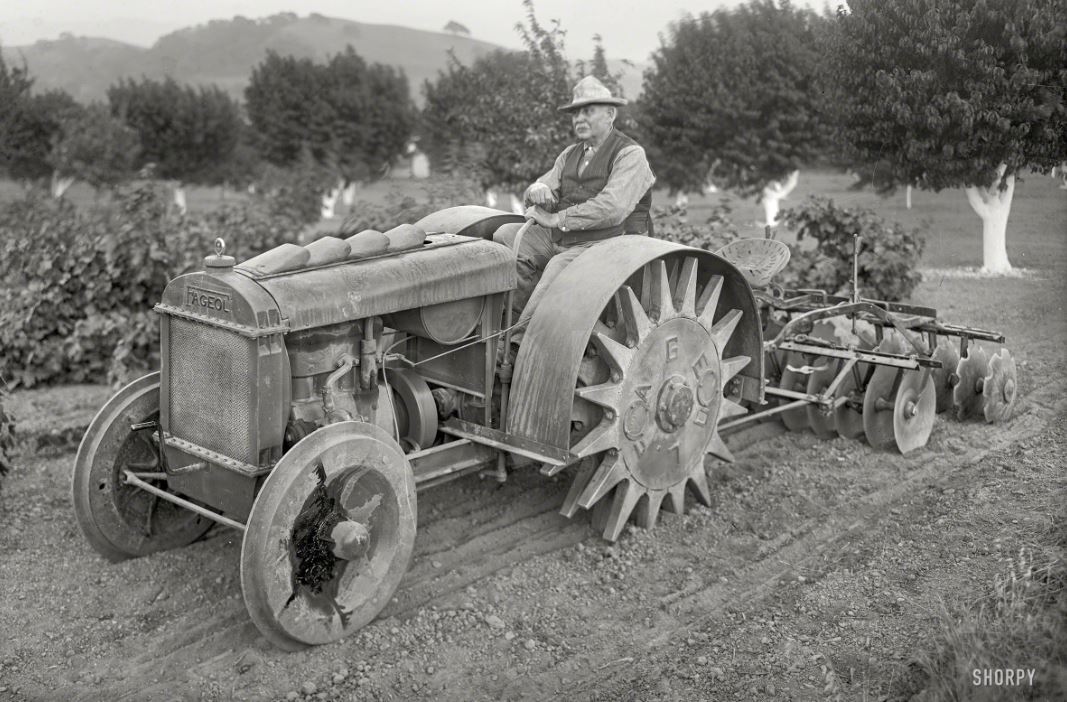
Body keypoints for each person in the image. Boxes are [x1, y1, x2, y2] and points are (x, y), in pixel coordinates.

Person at [505, 76, 655, 356]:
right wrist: (538, 190)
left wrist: (557, 219)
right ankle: (505, 324)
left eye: (588, 111)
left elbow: (613, 208)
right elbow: (545, 186)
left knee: (557, 266)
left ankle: (518, 347)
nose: (579, 118)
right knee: (507, 241)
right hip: (568, 239)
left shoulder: (630, 154)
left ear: (610, 114)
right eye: (575, 113)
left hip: (613, 244)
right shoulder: (569, 154)